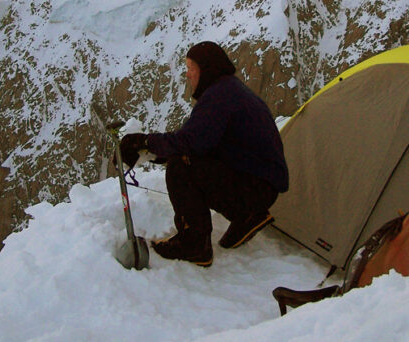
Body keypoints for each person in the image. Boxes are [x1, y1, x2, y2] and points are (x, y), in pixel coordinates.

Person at [119, 41, 288, 267]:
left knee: (181, 164)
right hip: (259, 184)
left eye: (191, 68)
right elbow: (205, 143)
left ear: (206, 69)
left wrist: (145, 142)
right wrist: (151, 152)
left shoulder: (219, 97)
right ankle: (247, 215)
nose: (187, 74)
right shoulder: (228, 89)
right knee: (186, 158)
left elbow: (189, 143)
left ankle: (194, 244)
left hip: (254, 187)